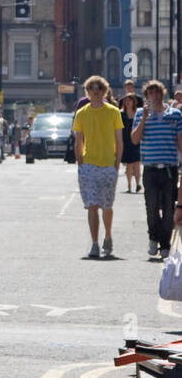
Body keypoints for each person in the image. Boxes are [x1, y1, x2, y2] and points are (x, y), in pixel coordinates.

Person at [72, 75, 123, 259]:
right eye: (92, 90)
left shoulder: (113, 112)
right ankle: (94, 243)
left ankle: (107, 236)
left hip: (108, 164)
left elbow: (119, 140)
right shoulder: (82, 113)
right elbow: (78, 141)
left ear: (104, 92)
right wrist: (80, 163)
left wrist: (116, 164)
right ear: (88, 92)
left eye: (99, 90)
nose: (96, 93)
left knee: (106, 206)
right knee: (92, 206)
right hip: (89, 165)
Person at [133, 81, 182, 259]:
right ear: (147, 96)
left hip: (169, 169)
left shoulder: (175, 114)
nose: (154, 96)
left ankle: (165, 244)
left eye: (157, 92)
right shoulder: (140, 114)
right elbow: (135, 139)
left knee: (169, 208)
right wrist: (144, 118)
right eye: (150, 93)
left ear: (162, 94)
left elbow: (180, 140)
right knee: (152, 207)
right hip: (151, 168)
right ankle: (153, 238)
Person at [119, 94, 142, 193]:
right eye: (126, 101)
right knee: (129, 165)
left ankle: (137, 184)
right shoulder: (121, 114)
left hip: (136, 141)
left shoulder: (138, 113)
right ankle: (129, 186)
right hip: (126, 142)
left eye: (130, 100)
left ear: (134, 102)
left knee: (137, 164)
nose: (128, 102)